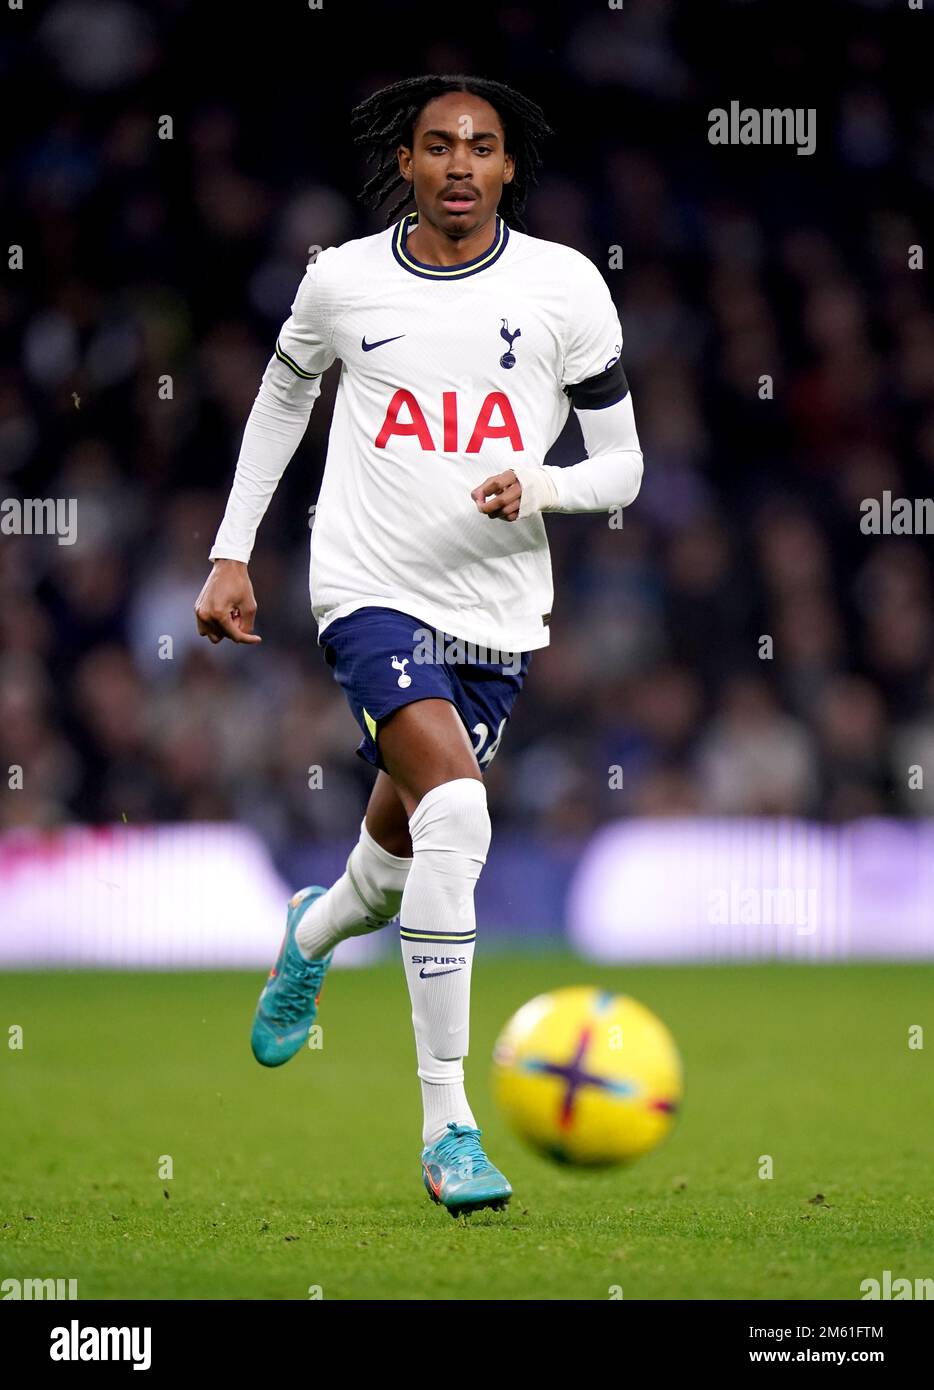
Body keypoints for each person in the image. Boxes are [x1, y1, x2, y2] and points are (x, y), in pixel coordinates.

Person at [194, 73, 644, 1217]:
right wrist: (232, 551)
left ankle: (312, 932)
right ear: (404, 161)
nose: (458, 164)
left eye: (480, 147)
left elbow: (623, 466)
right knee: (460, 814)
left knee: (394, 869)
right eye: (437, 145)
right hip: (368, 591)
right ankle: (449, 1126)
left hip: (496, 612)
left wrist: (540, 483)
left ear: (506, 167)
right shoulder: (341, 280)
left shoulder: (564, 286)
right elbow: (282, 401)